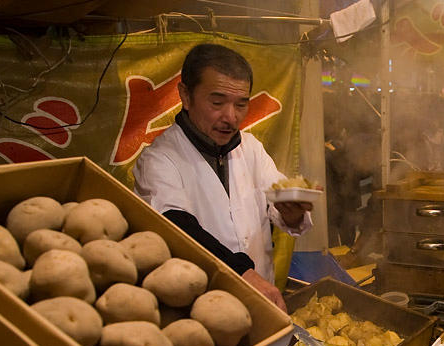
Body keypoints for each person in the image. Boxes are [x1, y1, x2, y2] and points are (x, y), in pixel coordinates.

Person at [133, 44, 313, 312]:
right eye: (217, 103)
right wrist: (242, 273)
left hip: (263, 302)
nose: (231, 117)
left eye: (241, 104)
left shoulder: (251, 149)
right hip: (203, 311)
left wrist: (293, 213)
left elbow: (278, 203)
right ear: (186, 95)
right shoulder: (160, 160)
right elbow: (177, 229)